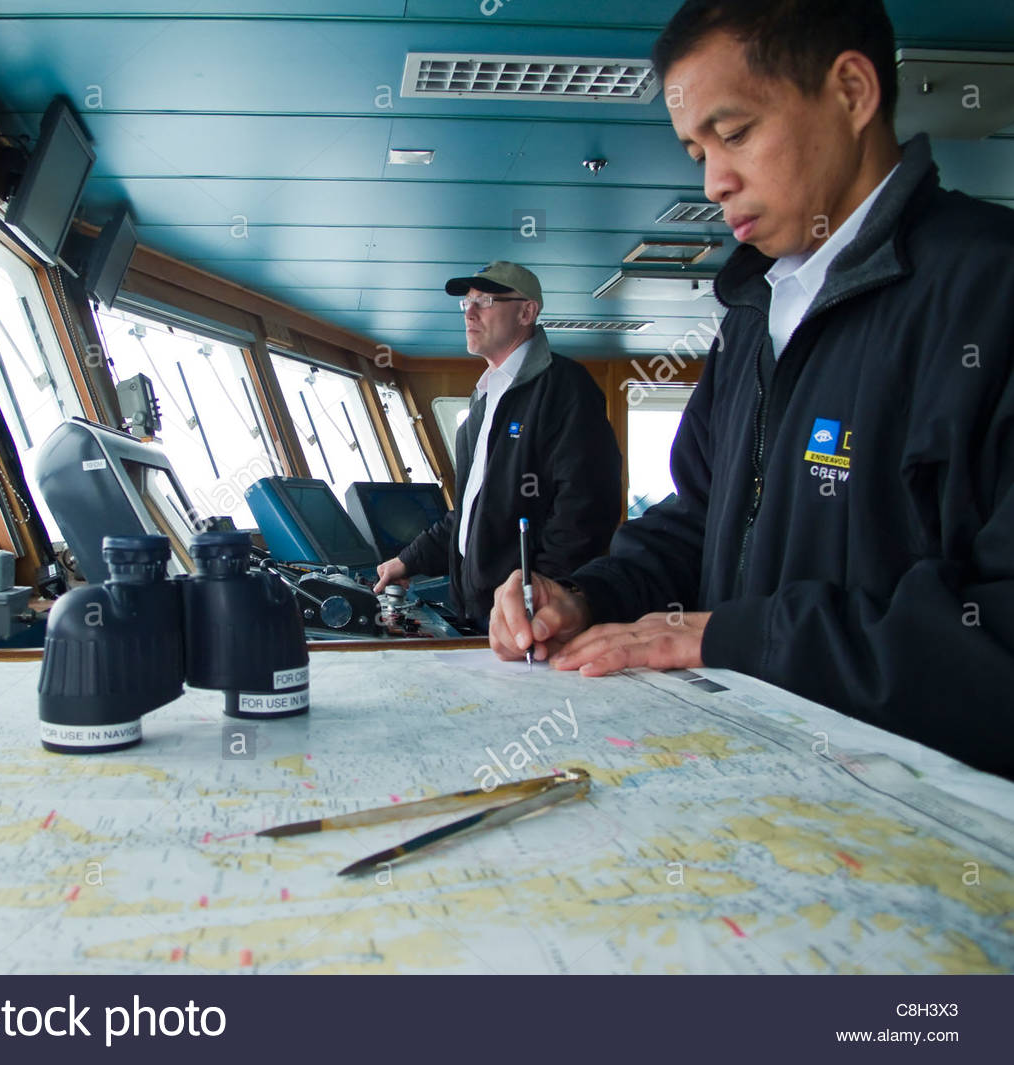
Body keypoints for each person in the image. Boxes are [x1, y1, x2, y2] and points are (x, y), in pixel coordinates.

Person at [489, 0, 1014, 780]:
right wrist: (585, 594)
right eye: (696, 149)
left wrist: (732, 638)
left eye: (735, 134)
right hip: (758, 774)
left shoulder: (990, 286)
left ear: (851, 92)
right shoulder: (751, 313)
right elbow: (699, 520)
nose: (715, 179)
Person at [373, 262, 622, 630]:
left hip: (530, 615)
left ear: (527, 311)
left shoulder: (565, 387)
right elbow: (470, 516)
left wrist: (541, 592)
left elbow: (586, 508)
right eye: (466, 303)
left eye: (485, 301)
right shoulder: (484, 399)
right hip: (481, 611)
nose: (469, 312)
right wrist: (407, 561)